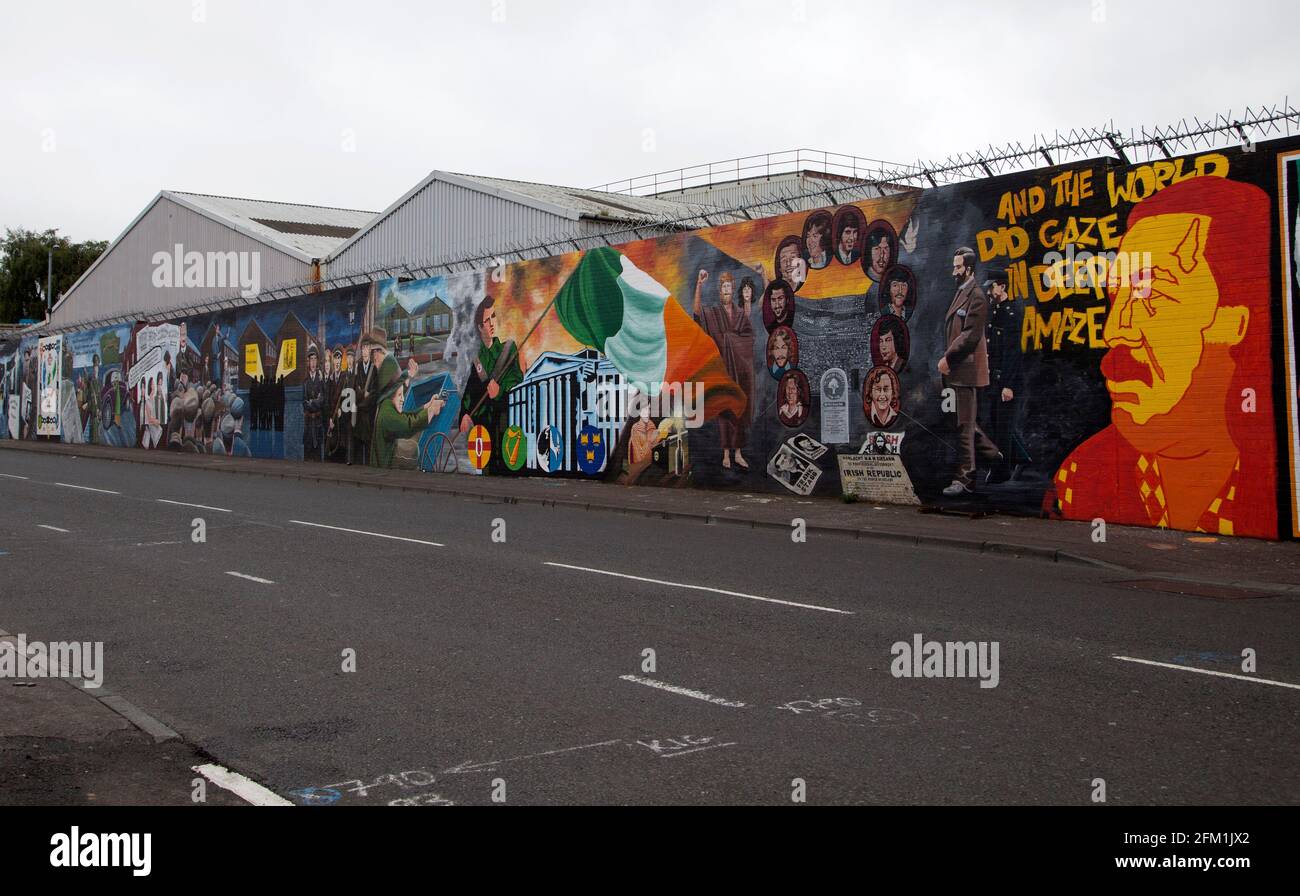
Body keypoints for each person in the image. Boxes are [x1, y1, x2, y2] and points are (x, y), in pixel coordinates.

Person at [1045, 176, 1277, 537]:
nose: (1114, 331)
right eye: (1116, 295)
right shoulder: (1081, 478)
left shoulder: (1276, 474)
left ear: (1234, 320)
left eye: (1150, 294)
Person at [938, 246, 1003, 496]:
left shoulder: (976, 295)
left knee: (964, 426)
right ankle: (996, 458)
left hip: (966, 370)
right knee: (965, 422)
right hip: (958, 371)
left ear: (969, 268)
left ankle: (965, 479)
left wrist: (948, 357)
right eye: (954, 266)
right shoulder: (962, 292)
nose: (954, 271)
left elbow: (970, 336)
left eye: (958, 267)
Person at [694, 269, 753, 470]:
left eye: (729, 286)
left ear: (732, 288)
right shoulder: (714, 313)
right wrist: (699, 285)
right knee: (725, 410)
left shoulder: (738, 312)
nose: (727, 290)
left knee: (740, 409)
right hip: (724, 370)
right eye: (724, 287)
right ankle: (726, 453)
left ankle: (738, 452)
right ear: (720, 291)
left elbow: (746, 329)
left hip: (740, 369)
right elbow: (697, 313)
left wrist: (747, 302)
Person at [459, 297, 524, 474]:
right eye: (487, 320)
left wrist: (500, 391)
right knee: (487, 473)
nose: (492, 323)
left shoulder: (508, 350)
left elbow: (517, 380)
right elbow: (469, 393)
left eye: (493, 317)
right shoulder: (477, 359)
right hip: (483, 430)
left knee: (506, 471)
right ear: (480, 327)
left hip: (505, 425)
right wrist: (464, 414)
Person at [982, 269, 1028, 482]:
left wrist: (1008, 385)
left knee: (1002, 425)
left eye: (992, 286)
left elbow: (1012, 351)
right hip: (993, 377)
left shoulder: (1012, 313)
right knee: (994, 421)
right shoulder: (994, 310)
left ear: (1002, 286)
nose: (989, 291)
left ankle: (1001, 472)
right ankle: (1022, 458)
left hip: (1006, 379)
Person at [371, 358, 444, 469]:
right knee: (413, 448)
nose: (403, 399)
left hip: (387, 456)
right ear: (391, 394)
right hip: (386, 464)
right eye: (400, 395)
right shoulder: (387, 413)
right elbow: (408, 424)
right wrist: (431, 410)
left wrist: (427, 406)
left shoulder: (387, 404)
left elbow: (405, 416)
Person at [302, 345, 325, 461]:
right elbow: (304, 403)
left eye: (315, 359)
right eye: (311, 359)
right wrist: (312, 403)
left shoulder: (321, 379)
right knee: (307, 451)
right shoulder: (305, 381)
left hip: (317, 422)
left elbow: (322, 400)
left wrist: (313, 402)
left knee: (317, 454)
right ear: (308, 362)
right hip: (308, 423)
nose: (313, 363)